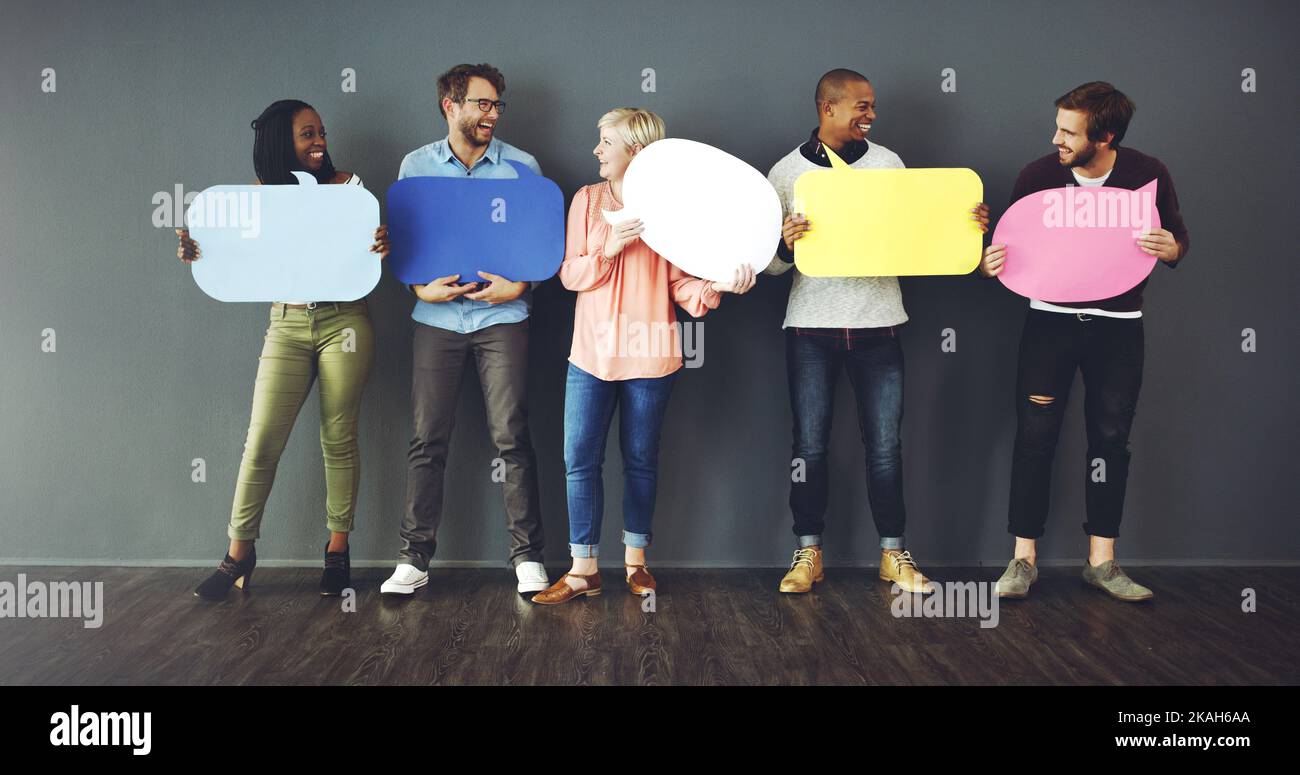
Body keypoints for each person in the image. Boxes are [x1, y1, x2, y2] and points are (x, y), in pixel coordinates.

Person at [764, 69, 990, 594]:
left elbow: (912, 236)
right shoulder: (786, 172)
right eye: (861, 107)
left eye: (872, 107)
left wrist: (966, 226)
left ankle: (894, 556)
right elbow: (769, 269)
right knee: (809, 446)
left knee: (885, 446)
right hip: (811, 327)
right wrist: (785, 245)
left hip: (880, 324)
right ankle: (807, 554)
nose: (870, 115)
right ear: (828, 107)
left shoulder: (889, 163)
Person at [530, 108, 756, 605]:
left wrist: (718, 284)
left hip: (652, 357)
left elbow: (682, 286)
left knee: (640, 461)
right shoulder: (587, 201)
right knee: (579, 461)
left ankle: (636, 564)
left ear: (635, 149)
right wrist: (608, 247)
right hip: (591, 356)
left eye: (606, 141)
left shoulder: (670, 210)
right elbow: (570, 276)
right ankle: (583, 569)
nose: (596, 150)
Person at [979, 82, 1188, 602]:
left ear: (1106, 136)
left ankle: (1102, 561)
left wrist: (1172, 247)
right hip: (1049, 326)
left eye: (1069, 132)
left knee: (1111, 441)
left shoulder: (1149, 174)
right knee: (1034, 438)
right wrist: (987, 264)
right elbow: (1007, 248)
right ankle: (1022, 560)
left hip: (1119, 328)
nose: (1057, 139)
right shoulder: (1038, 177)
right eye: (1058, 127)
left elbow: (1178, 237)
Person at [179, 99, 389, 600]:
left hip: (345, 321)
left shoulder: (348, 188)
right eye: (306, 134)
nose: (319, 142)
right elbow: (232, 255)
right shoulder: (258, 199)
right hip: (287, 324)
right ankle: (238, 554)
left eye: (320, 132)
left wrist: (382, 242)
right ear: (280, 142)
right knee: (260, 443)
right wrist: (197, 249)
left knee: (338, 437)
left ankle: (337, 552)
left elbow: (364, 246)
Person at [379, 64, 551, 597]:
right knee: (427, 438)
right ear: (450, 106)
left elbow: (540, 243)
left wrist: (518, 288)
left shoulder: (523, 167)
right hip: (436, 321)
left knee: (513, 436)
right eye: (482, 104)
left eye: (497, 105)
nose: (492, 114)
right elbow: (405, 245)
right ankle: (413, 559)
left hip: (503, 319)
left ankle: (527, 558)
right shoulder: (416, 166)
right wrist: (418, 291)